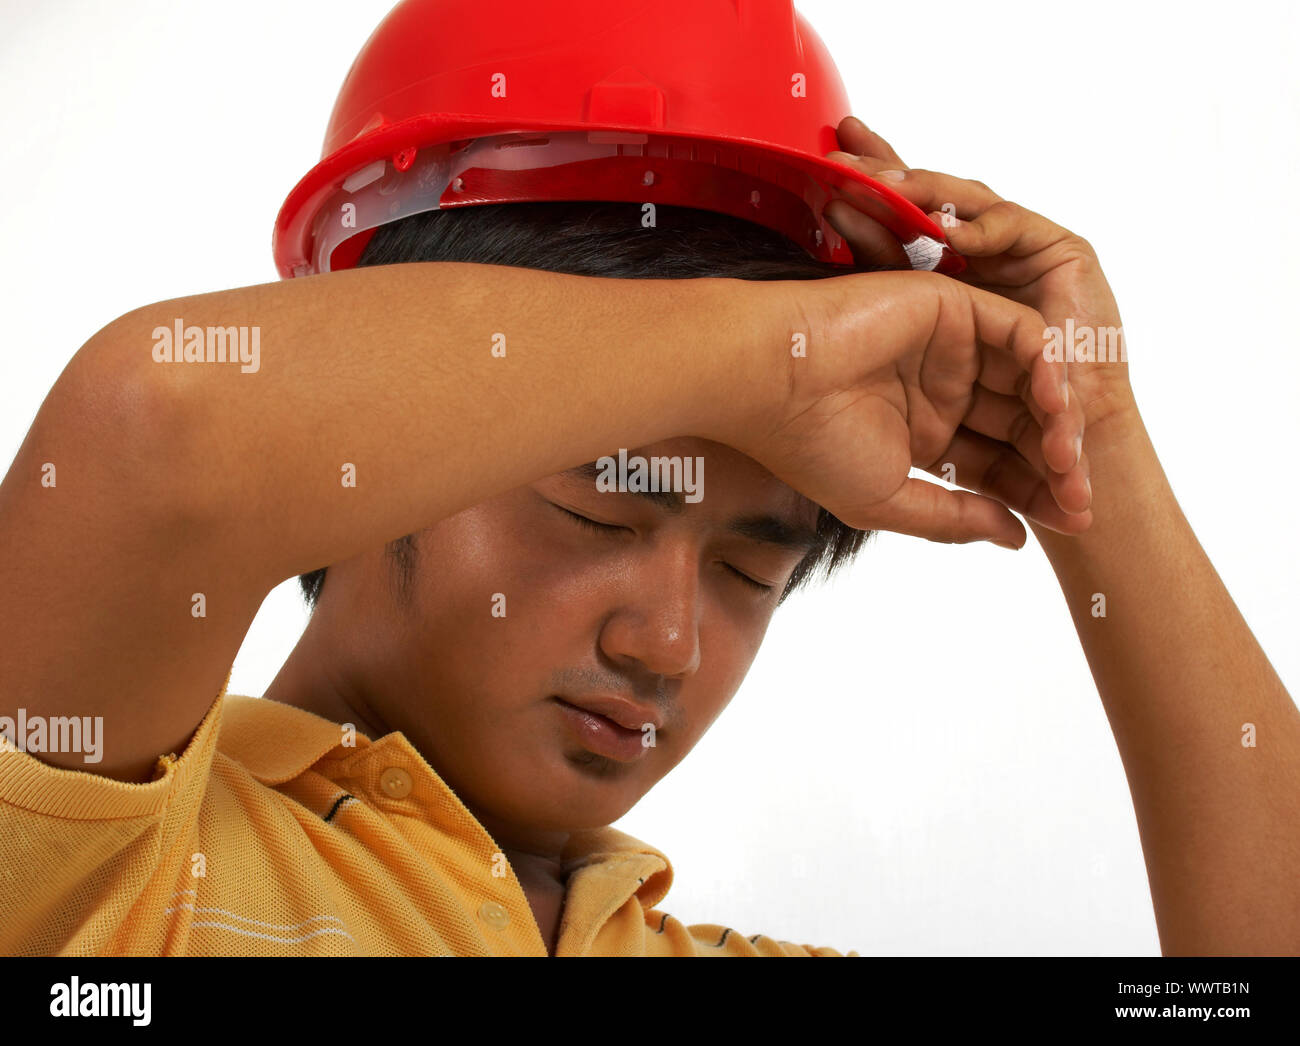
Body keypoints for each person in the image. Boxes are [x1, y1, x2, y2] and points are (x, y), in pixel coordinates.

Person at [1, 1, 1296, 958]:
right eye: (603, 508)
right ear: (395, 441)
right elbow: (149, 430)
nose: (670, 640)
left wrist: (1091, 437)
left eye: (752, 569)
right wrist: (754, 357)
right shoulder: (106, 865)